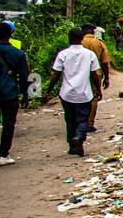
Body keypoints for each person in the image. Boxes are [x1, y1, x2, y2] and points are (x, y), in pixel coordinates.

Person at [46, 28, 101, 157]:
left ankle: (72, 146)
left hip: (67, 93)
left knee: (70, 119)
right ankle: (79, 137)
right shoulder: (89, 54)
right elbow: (94, 75)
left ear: (69, 38)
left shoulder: (63, 54)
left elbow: (56, 75)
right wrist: (98, 90)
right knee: (83, 119)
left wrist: (48, 91)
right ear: (82, 39)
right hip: (84, 93)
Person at [0, 22, 30, 166]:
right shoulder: (18, 53)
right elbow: (24, 77)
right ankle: (3, 155)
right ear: (11, 34)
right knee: (9, 124)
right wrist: (25, 95)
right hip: (10, 93)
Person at [81, 24, 112, 132]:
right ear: (93, 32)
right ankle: (89, 124)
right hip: (96, 72)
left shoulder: (78, 42)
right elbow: (105, 62)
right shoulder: (99, 43)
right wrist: (107, 77)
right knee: (94, 97)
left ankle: (80, 122)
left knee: (81, 97)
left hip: (80, 74)